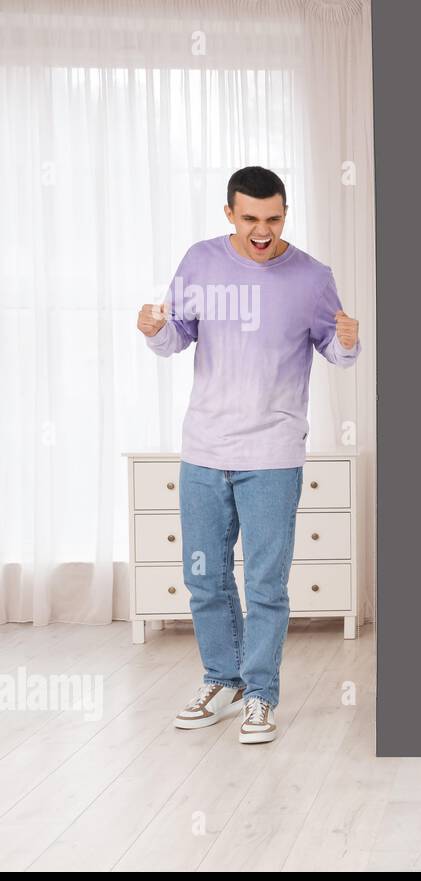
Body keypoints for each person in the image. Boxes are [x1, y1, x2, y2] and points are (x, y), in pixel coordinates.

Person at [138, 166, 361, 744]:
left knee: (266, 584)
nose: (262, 231)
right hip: (205, 448)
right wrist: (152, 329)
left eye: (273, 218)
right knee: (206, 579)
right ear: (229, 214)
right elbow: (176, 337)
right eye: (250, 219)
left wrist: (348, 339)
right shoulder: (201, 262)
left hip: (274, 451)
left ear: (284, 214)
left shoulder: (312, 277)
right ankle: (222, 678)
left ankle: (260, 693)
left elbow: (334, 353)